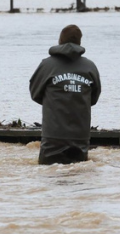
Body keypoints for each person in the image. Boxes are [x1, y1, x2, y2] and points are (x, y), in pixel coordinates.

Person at [29, 25, 102, 165]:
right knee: (79, 173)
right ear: (80, 42)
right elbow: (93, 98)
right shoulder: (90, 67)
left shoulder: (47, 65)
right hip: (80, 136)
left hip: (53, 135)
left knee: (48, 172)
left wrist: (54, 100)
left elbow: (35, 93)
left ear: (60, 40)